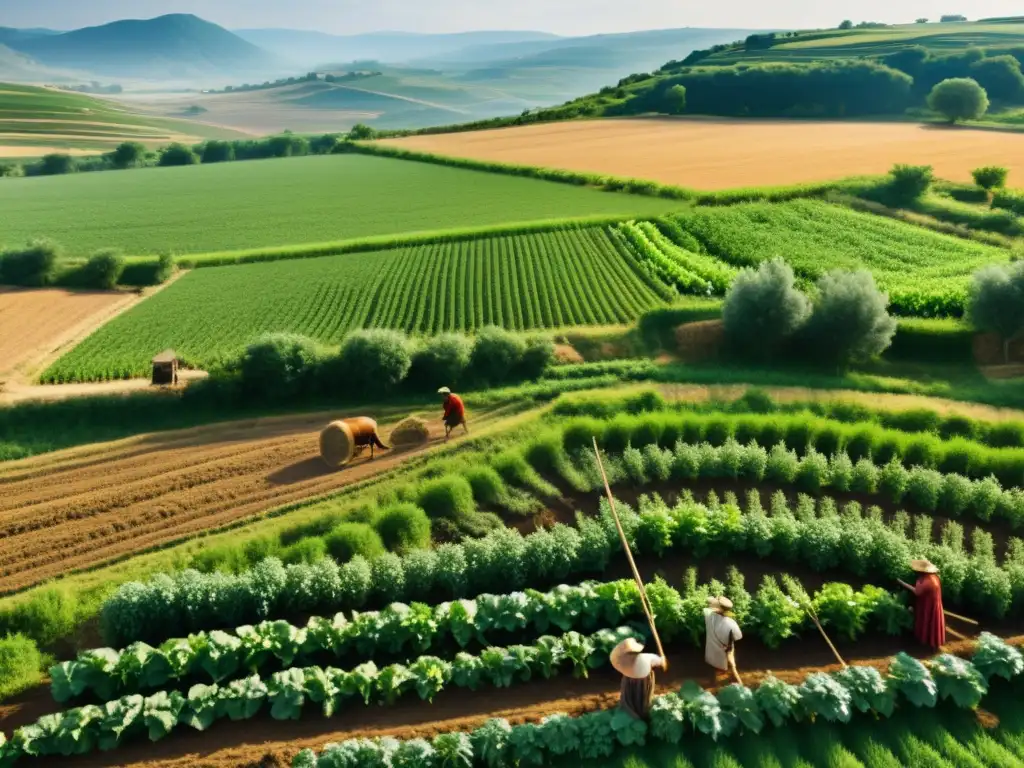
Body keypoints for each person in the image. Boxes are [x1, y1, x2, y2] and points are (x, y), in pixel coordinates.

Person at [610, 637, 665, 720]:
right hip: (643, 681)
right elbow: (661, 663)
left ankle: (631, 709)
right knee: (642, 697)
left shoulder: (621, 659)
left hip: (628, 679)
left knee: (630, 695)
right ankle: (641, 711)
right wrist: (663, 659)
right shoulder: (647, 657)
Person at [898, 559, 945, 650]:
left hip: (927, 605)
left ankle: (925, 644)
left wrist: (902, 583)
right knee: (932, 622)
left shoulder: (925, 581)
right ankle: (932, 641)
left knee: (926, 620)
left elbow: (917, 592)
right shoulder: (934, 577)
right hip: (934, 604)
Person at [704, 596, 742, 678]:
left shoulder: (708, 615)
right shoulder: (731, 621)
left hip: (715, 649)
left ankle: (720, 675)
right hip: (728, 646)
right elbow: (738, 636)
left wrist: (715, 600)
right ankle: (735, 678)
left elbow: (708, 601)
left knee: (718, 665)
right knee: (731, 664)